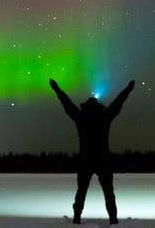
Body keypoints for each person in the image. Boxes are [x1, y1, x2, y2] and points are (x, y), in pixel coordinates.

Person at [49, 77, 135, 224]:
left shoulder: (81, 118)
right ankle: (113, 219)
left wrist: (57, 89)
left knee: (82, 190)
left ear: (86, 108)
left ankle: (77, 218)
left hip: (85, 160)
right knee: (108, 191)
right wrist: (127, 90)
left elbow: (67, 104)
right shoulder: (104, 117)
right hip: (103, 160)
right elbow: (117, 103)